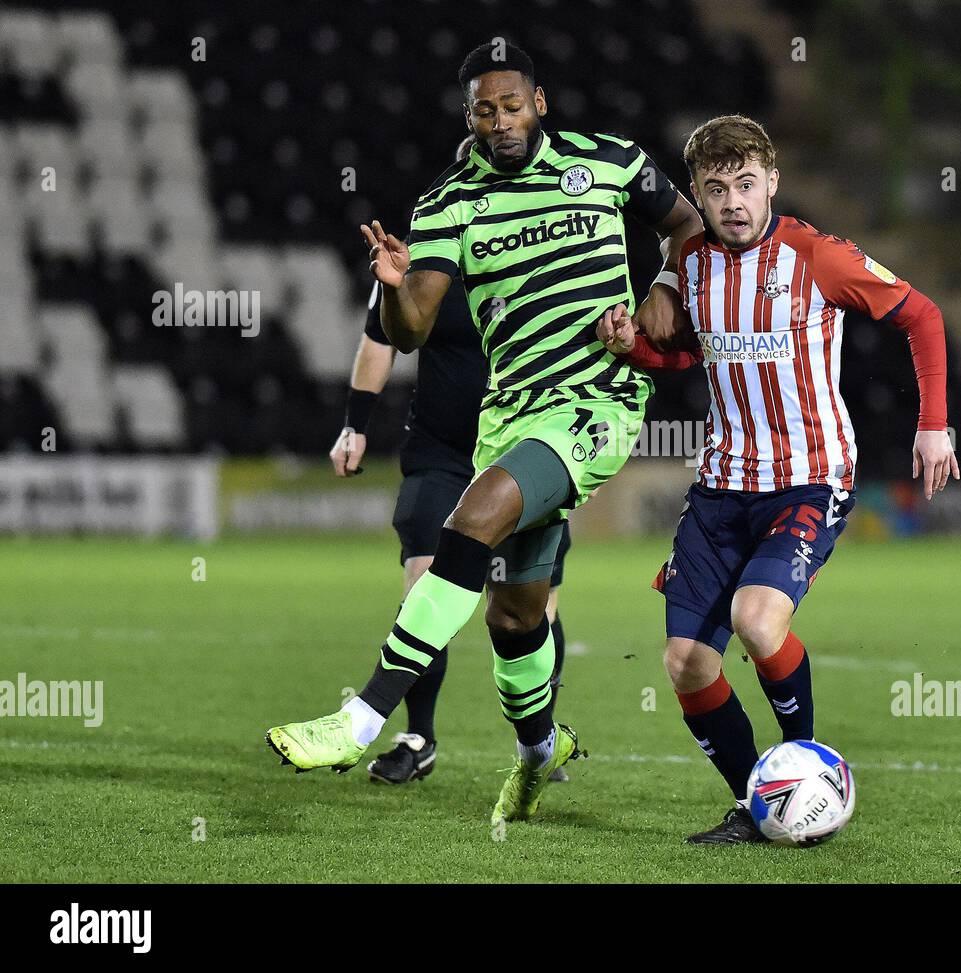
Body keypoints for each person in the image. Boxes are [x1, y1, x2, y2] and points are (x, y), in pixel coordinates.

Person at [267, 41, 703, 828]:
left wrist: (665, 290)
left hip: (598, 401)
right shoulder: (445, 204)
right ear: (467, 116)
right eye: (483, 109)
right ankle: (540, 749)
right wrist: (396, 290)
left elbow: (686, 225)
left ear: (542, 102)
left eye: (511, 104)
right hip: (508, 415)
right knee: (514, 613)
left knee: (466, 522)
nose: (499, 121)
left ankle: (363, 718)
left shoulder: (608, 161)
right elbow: (412, 329)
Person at [597, 114, 958, 843]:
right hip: (720, 487)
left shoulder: (815, 255)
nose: (733, 201)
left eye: (747, 184)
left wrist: (933, 422)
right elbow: (692, 360)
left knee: (758, 621)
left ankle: (812, 770)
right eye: (717, 187)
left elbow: (922, 315)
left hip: (808, 478)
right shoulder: (691, 263)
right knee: (686, 662)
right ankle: (761, 802)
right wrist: (634, 349)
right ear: (697, 192)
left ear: (772, 183)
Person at [328, 135, 574, 785]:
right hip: (441, 453)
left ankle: (540, 741)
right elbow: (381, 337)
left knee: (530, 610)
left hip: (528, 455)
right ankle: (418, 734)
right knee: (423, 584)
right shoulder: (432, 258)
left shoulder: (544, 252)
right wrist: (355, 424)